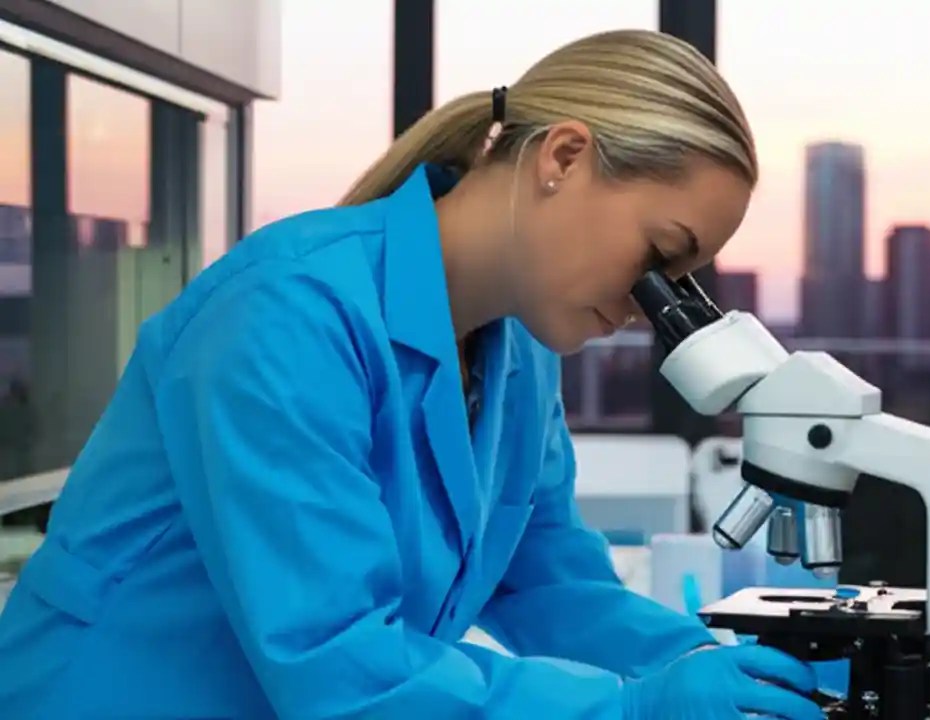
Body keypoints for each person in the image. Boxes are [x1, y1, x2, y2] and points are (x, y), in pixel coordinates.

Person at [0, 29, 825, 720]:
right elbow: (338, 662)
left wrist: (722, 676)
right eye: (659, 256)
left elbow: (547, 580)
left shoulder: (519, 351)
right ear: (565, 156)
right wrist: (634, 710)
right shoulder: (290, 313)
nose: (654, 307)